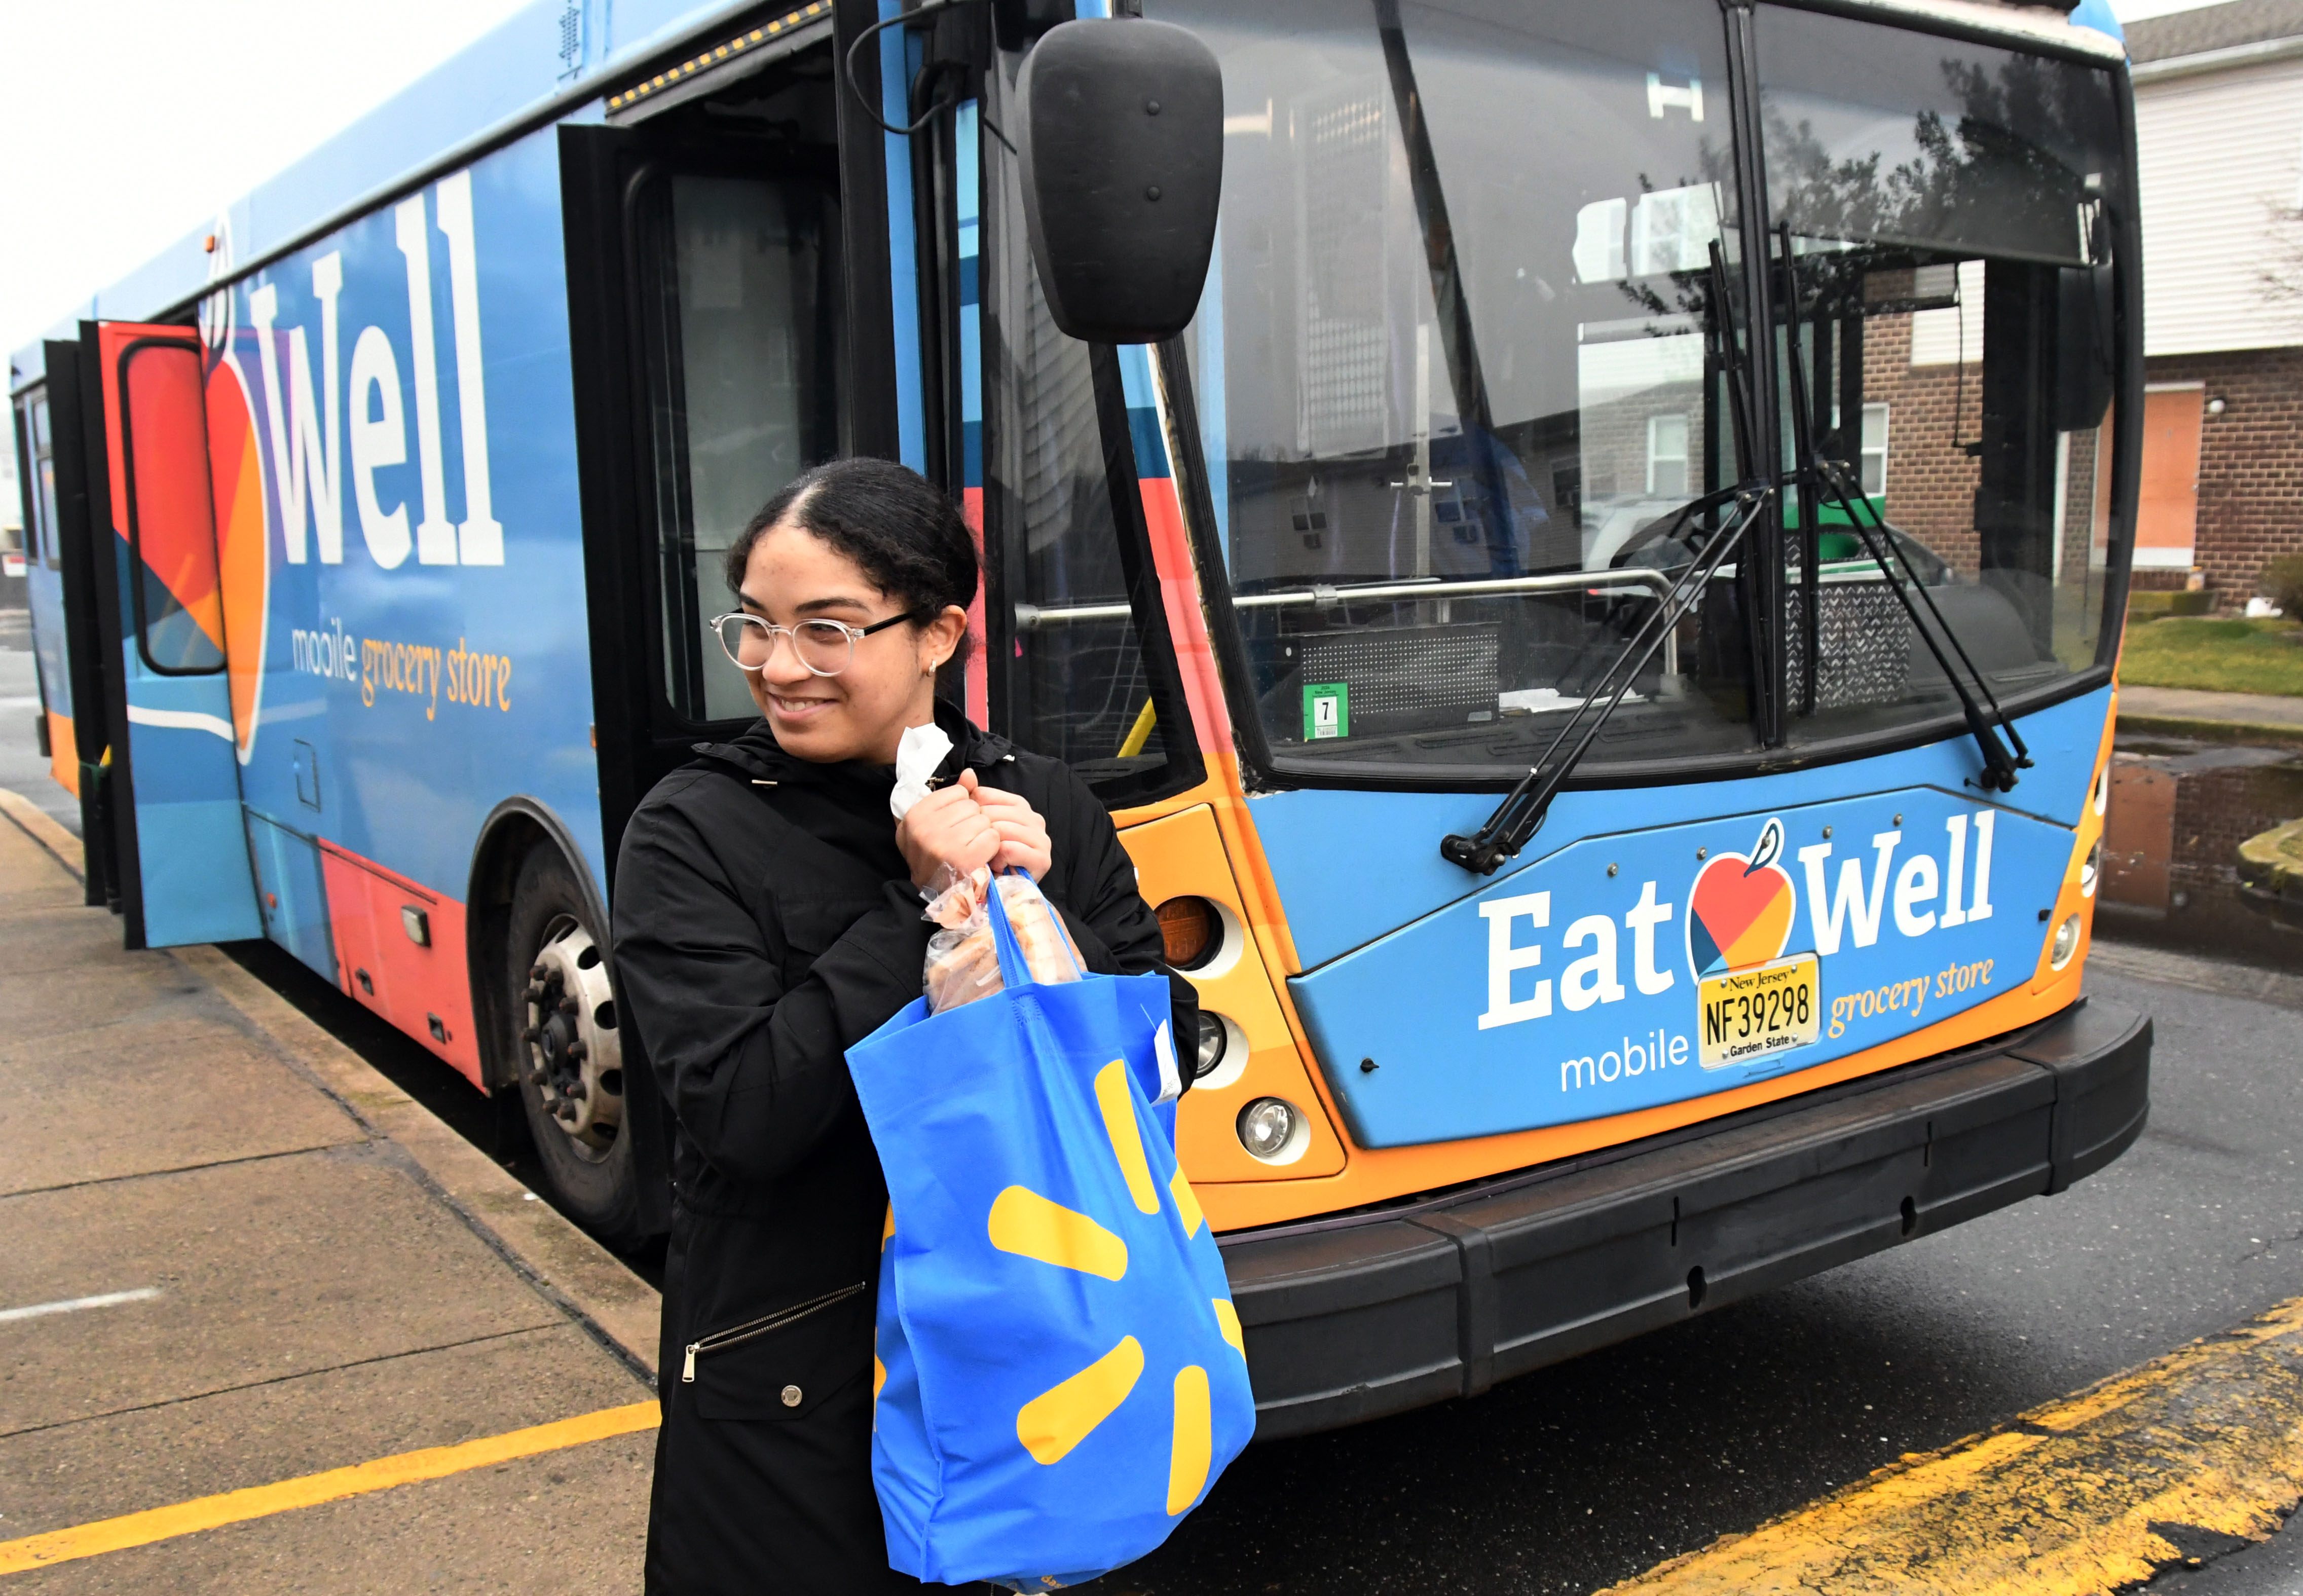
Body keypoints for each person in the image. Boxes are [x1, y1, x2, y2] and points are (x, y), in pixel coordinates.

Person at [612, 457, 1196, 1594]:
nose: (780, 669)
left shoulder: (1040, 803)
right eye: (756, 628)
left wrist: (1037, 909)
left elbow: (1167, 1050)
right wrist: (914, 905)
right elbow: (743, 1113)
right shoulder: (693, 830)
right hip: (798, 1373)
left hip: (1034, 1348)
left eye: (826, 631)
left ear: (936, 633)